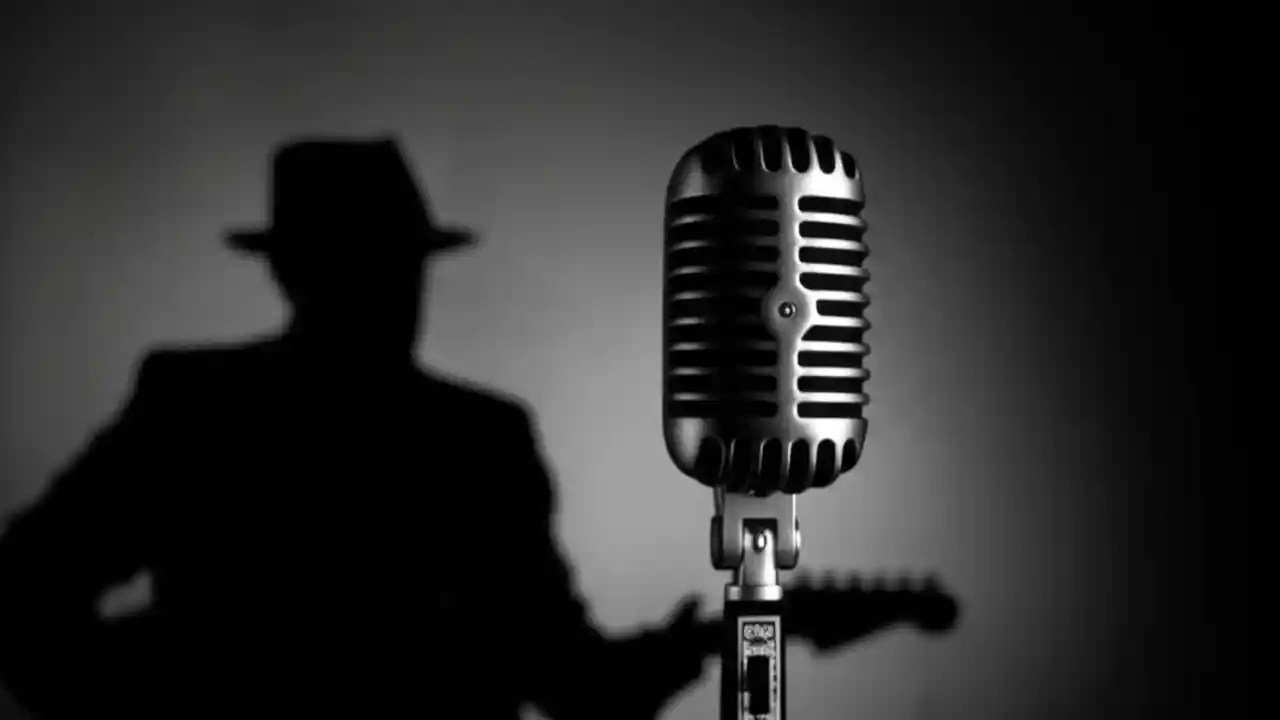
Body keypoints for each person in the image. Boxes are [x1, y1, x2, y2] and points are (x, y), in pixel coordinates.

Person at [0, 137, 705, 719]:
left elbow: (564, 672)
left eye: (397, 268)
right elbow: (26, 589)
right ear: (294, 272)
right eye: (367, 265)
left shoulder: (197, 403)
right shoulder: (476, 437)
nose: (393, 292)